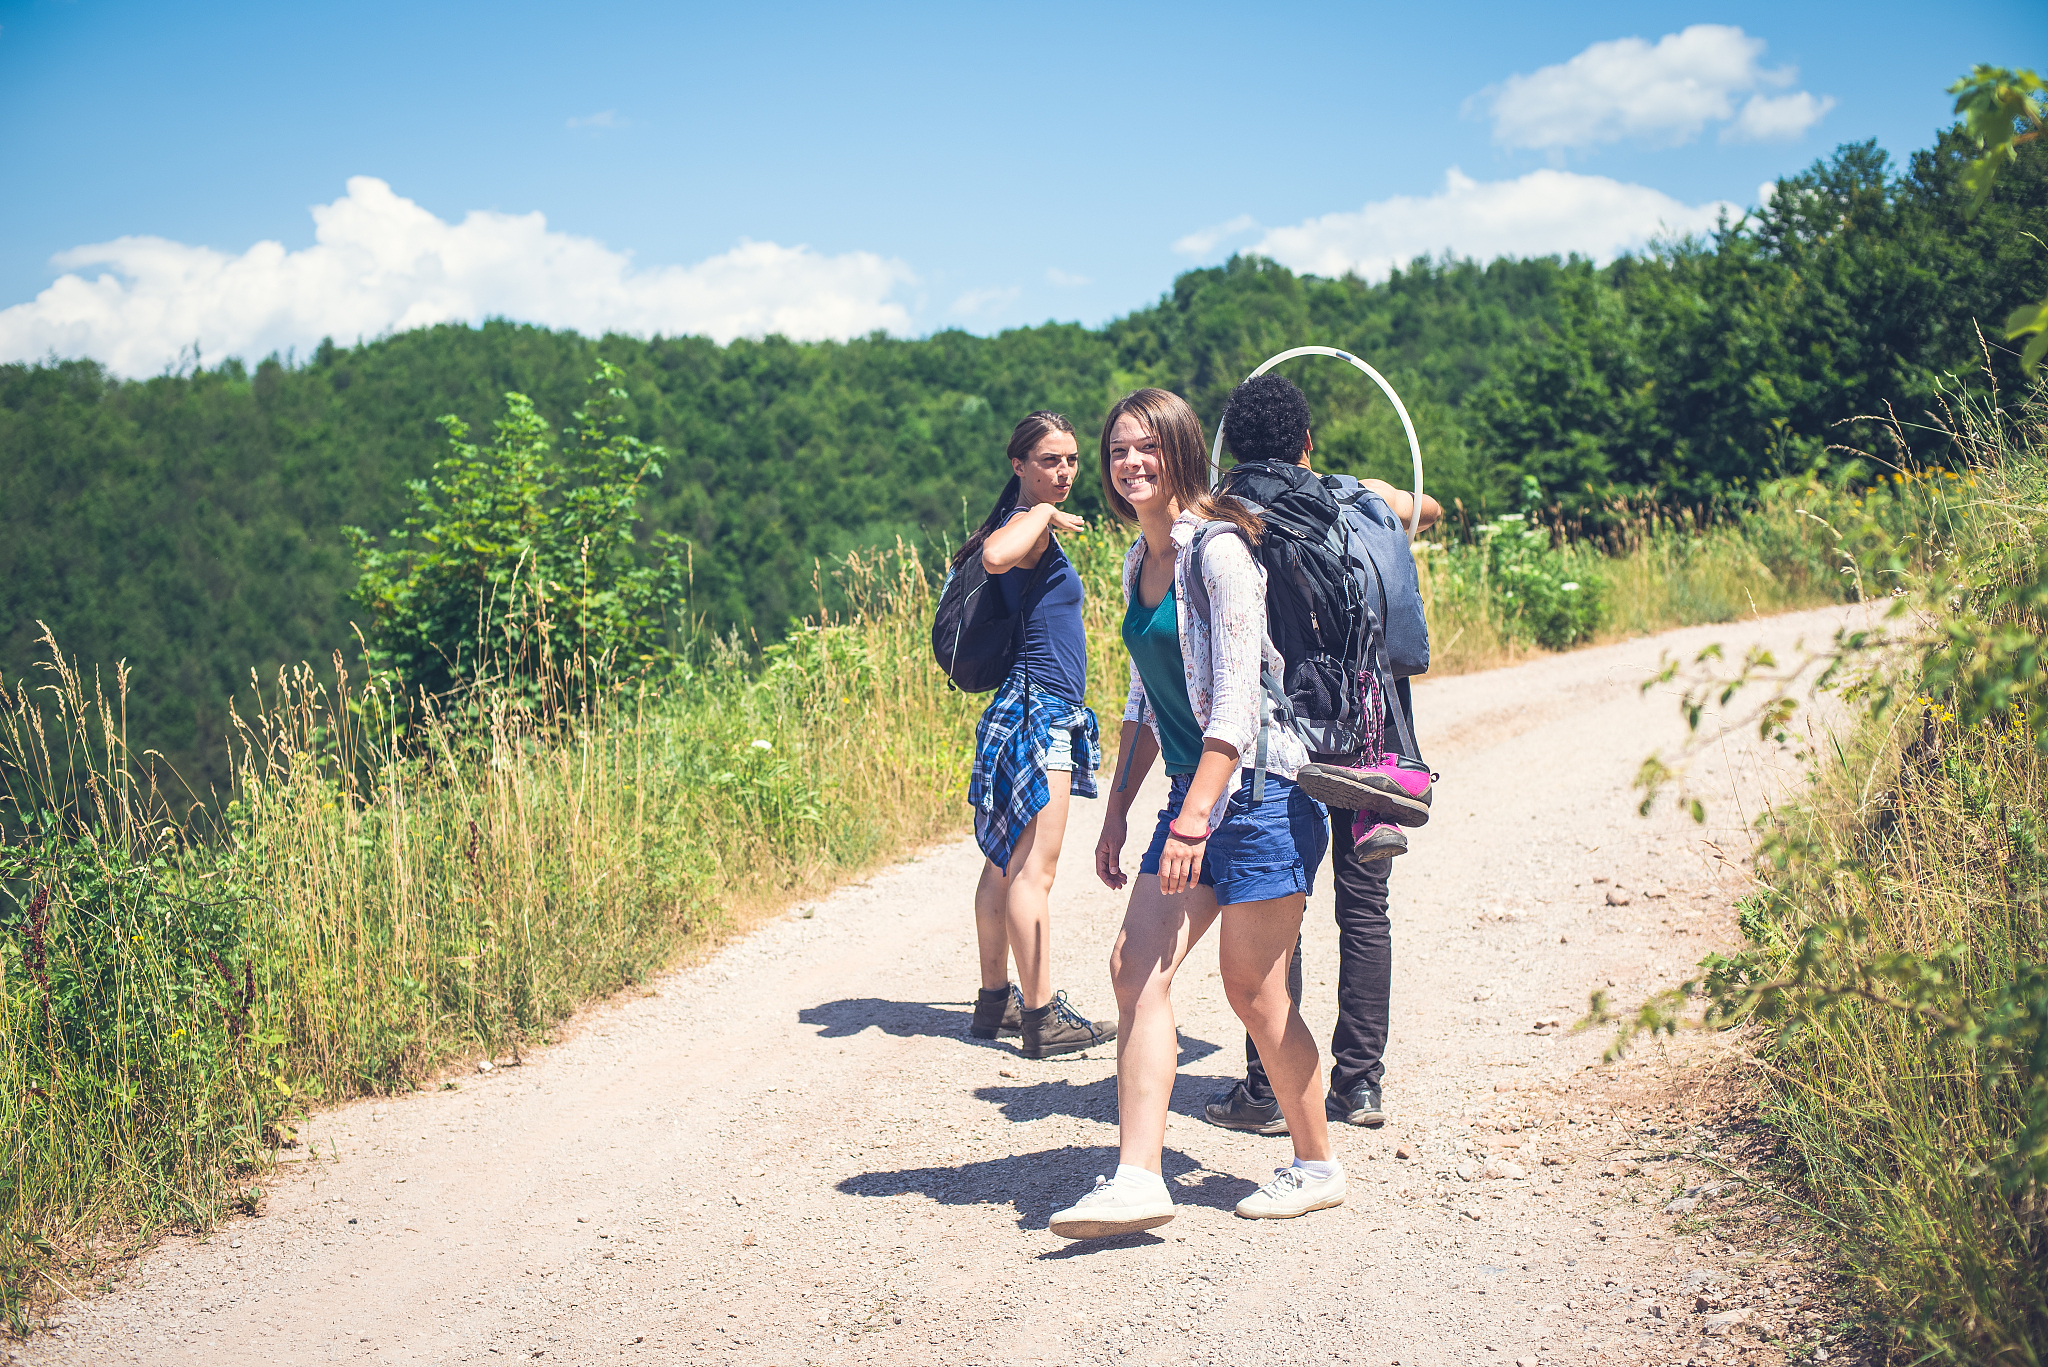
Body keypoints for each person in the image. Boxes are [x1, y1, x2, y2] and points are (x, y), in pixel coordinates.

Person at [1047, 389, 1338, 1241]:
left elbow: (1239, 705)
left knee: (1253, 990)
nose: (1129, 463)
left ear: (1180, 451)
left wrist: (1193, 819)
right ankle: (1139, 1175)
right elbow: (1143, 694)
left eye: (1146, 448)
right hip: (1192, 796)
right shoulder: (1138, 560)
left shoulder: (1222, 553)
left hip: (1260, 794)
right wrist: (1120, 811)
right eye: (1117, 452)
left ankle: (1316, 1161)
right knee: (1136, 970)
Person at [1198, 374, 1441, 1137]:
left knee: (1277, 903)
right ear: (1308, 443)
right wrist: (1395, 517)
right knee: (1366, 904)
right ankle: (1359, 1086)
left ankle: (1267, 1089)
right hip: (1373, 730)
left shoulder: (1227, 517)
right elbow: (1426, 508)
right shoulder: (1358, 499)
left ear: (1231, 450)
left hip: (1283, 734)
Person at [962, 411, 1116, 1060]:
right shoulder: (1021, 529)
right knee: (1034, 871)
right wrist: (1045, 517)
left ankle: (994, 1001)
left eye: (1073, 460)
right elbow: (997, 555)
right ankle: (1041, 1015)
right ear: (1019, 464)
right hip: (1039, 711)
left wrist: (1042, 520)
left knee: (1004, 864)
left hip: (1024, 708)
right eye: (1051, 459)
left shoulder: (1025, 525)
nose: (1065, 472)